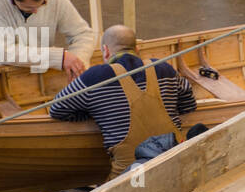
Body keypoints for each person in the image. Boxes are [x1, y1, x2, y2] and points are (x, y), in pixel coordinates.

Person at [48, 24, 198, 178]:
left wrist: (95, 112)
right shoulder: (164, 68)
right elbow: (188, 104)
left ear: (105, 51)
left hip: (130, 178)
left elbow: (57, 109)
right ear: (137, 49)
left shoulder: (93, 78)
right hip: (176, 166)